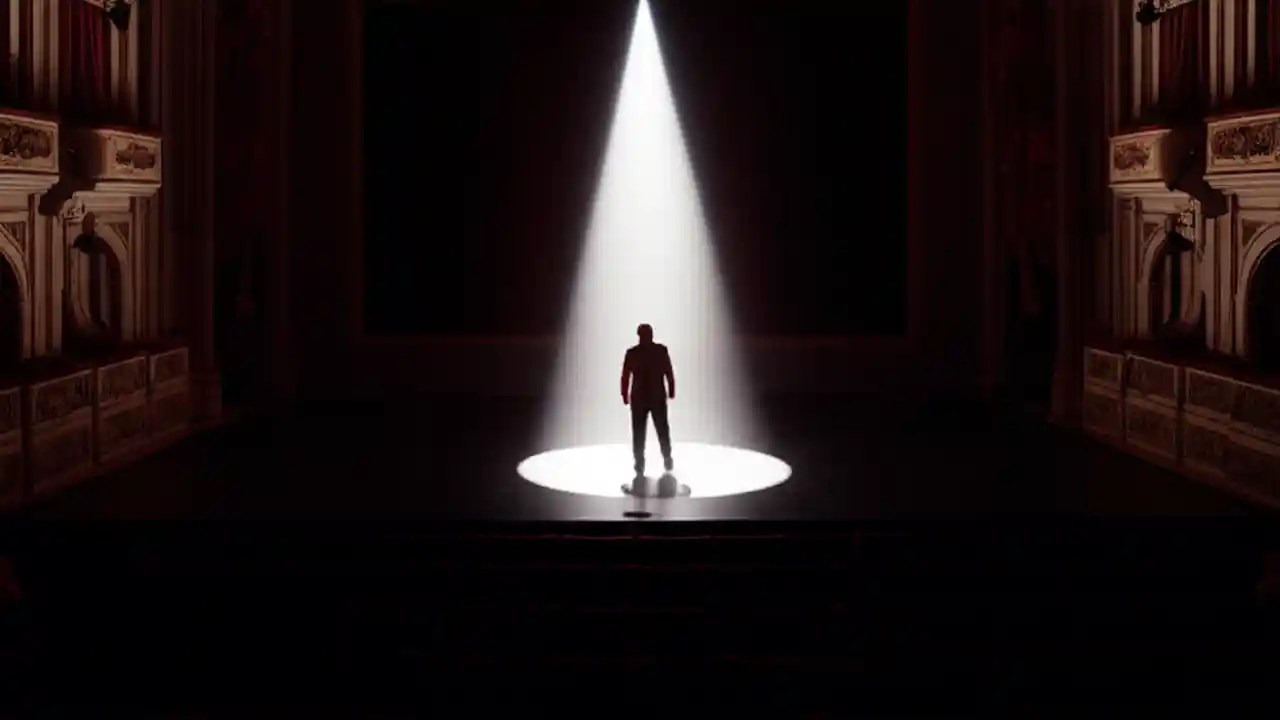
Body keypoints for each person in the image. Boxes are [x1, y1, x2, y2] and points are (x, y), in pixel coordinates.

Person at [621, 323, 675, 477]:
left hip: (643, 397)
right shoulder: (659, 351)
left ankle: (643, 462)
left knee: (645, 431)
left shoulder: (633, 353)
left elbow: (625, 376)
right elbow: (668, 372)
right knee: (659, 429)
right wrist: (671, 390)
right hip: (652, 396)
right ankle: (663, 458)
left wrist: (624, 394)